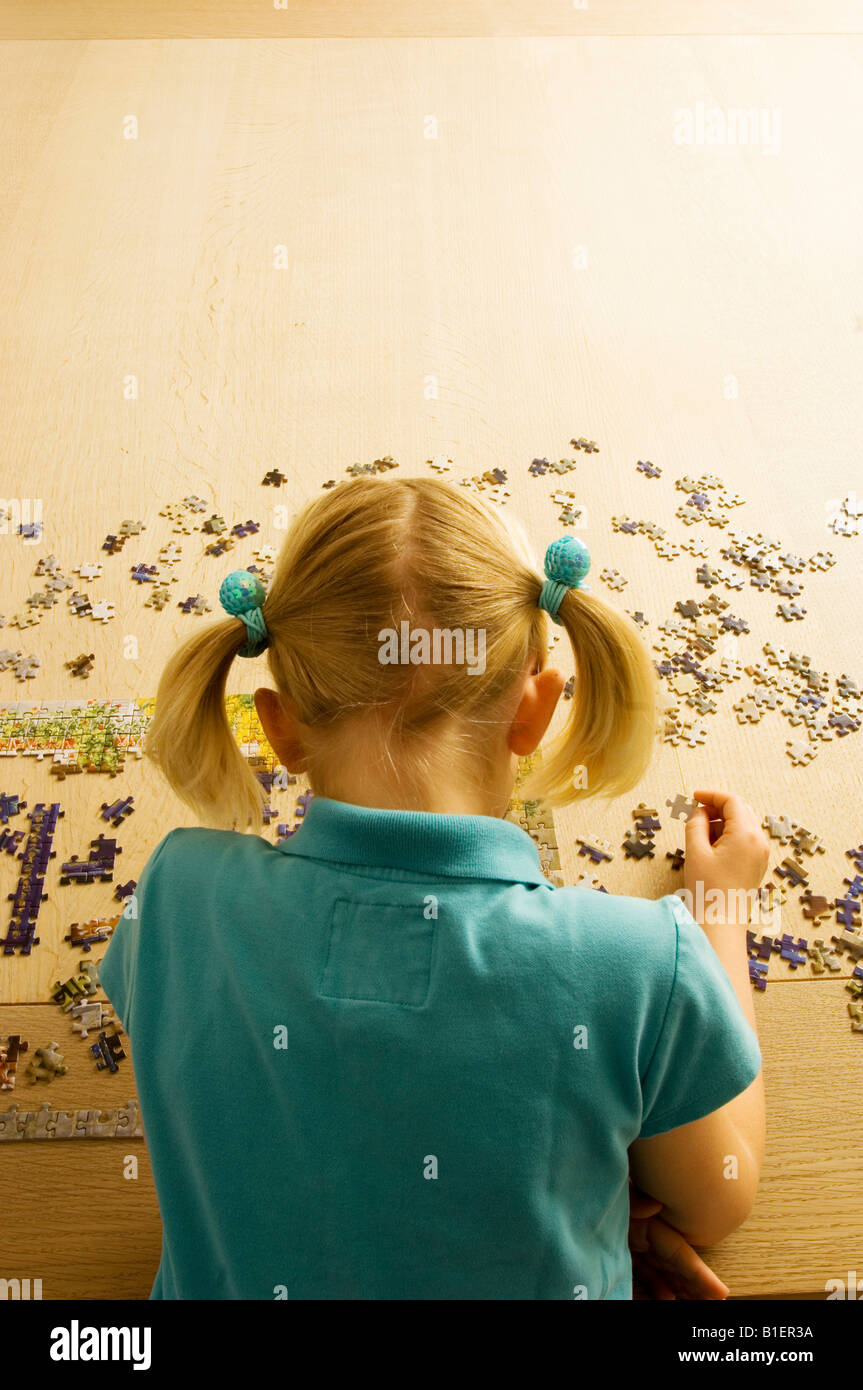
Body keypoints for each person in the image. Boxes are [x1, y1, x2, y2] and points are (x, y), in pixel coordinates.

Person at [99, 475, 766, 1300]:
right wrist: (721, 913)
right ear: (536, 710)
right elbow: (717, 1201)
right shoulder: (639, 964)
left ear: (278, 729)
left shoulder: (175, 899)